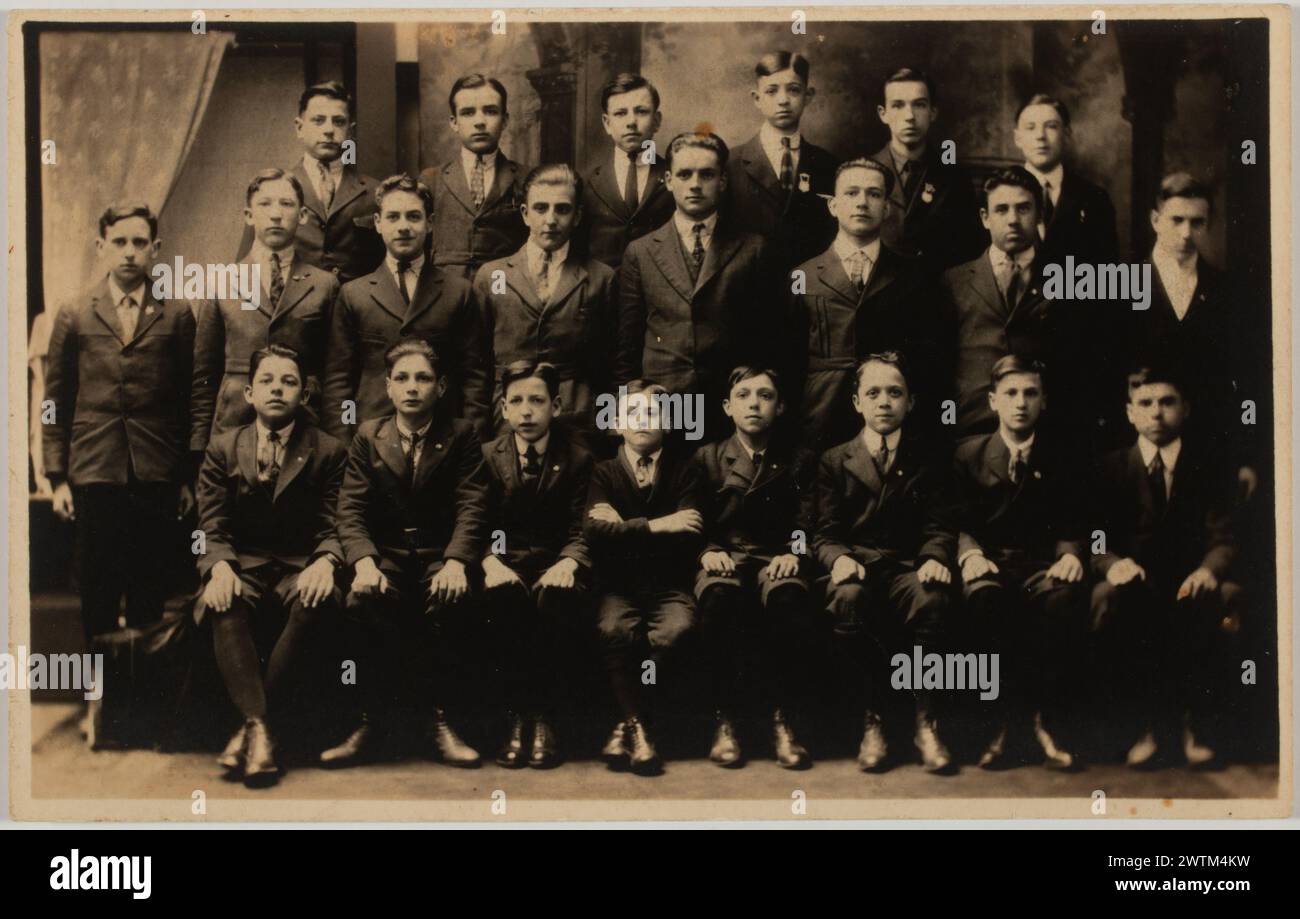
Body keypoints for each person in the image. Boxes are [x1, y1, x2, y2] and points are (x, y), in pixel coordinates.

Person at [326, 339, 489, 768]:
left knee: (451, 598)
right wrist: (363, 562)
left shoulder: (462, 434)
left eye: (423, 378)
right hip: (387, 555)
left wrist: (456, 561)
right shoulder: (368, 435)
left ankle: (441, 721)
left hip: (440, 552)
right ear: (388, 386)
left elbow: (472, 503)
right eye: (402, 378)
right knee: (361, 601)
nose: (412, 387)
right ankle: (370, 721)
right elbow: (351, 508)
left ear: (441, 386)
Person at [43, 203, 197, 642]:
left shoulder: (176, 312)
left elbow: (187, 399)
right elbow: (55, 399)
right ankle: (99, 693)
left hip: (156, 469)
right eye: (119, 242)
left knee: (151, 581)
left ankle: (142, 696)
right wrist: (57, 477)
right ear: (101, 246)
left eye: (139, 243)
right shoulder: (75, 311)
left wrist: (185, 476)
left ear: (156, 248)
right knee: (98, 584)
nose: (129, 252)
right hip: (95, 467)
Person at [195, 345, 347, 787]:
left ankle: (250, 732)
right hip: (244, 565)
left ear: (303, 394)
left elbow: (334, 523)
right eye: (267, 380)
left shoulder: (329, 450)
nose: (277, 389)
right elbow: (211, 525)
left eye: (289, 381)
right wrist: (219, 567)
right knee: (225, 600)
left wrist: (327, 560)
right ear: (247, 392)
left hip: (301, 565)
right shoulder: (223, 447)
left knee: (316, 598)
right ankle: (262, 731)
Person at [1090, 364, 1241, 769]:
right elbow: (1095, 537)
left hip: (1188, 577)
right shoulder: (1111, 467)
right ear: (1129, 413)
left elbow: (1223, 537)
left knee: (1219, 596)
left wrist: (1209, 569)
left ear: (1186, 408)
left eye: (1167, 402)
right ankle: (1141, 727)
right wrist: (1113, 564)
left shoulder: (1207, 465)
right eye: (1146, 403)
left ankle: (1197, 726)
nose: (1156, 413)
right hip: (1136, 581)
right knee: (1110, 598)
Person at [814, 352, 958, 774]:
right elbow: (823, 532)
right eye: (872, 393)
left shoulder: (928, 457)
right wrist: (837, 558)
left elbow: (940, 525)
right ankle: (871, 721)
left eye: (895, 393)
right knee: (848, 599)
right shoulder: (834, 459)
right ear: (856, 402)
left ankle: (926, 722)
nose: (884, 402)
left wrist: (933, 557)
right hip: (856, 564)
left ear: (910, 402)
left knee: (931, 598)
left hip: (906, 566)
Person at [951, 355, 1087, 770]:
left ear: (1044, 401)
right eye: (1010, 393)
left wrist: (1069, 555)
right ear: (993, 401)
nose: (1020, 402)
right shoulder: (968, 455)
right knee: (985, 602)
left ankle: (1044, 722)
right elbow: (951, 520)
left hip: (1039, 568)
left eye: (1030, 393)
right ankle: (1000, 724)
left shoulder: (1063, 456)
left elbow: (1074, 520)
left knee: (1062, 599)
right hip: (989, 565)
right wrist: (969, 553)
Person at [692, 366, 816, 769]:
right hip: (724, 555)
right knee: (719, 596)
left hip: (775, 557)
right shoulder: (707, 457)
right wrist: (707, 550)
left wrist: (794, 553)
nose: (754, 404)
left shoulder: (799, 459)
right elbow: (694, 517)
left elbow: (808, 520)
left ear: (779, 407)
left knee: (789, 597)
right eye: (743, 395)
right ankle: (725, 720)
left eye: (765, 395)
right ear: (727, 407)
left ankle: (783, 721)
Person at [617, 132, 775, 444]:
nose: (694, 184)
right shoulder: (641, 251)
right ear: (668, 180)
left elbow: (767, 339)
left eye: (706, 174)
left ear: (723, 181)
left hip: (730, 405)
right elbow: (627, 346)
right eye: (684, 174)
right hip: (662, 405)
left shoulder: (753, 248)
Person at [585, 380, 704, 775]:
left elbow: (690, 531)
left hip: (669, 585)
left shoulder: (685, 471)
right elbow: (597, 534)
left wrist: (628, 529)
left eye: (653, 413)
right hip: (617, 586)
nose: (642, 421)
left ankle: (628, 724)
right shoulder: (602, 473)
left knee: (676, 631)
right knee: (614, 629)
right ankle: (641, 732)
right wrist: (659, 526)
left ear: (669, 424)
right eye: (632, 414)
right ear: (617, 424)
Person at [480, 361, 594, 769]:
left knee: (553, 601)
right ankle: (516, 718)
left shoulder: (579, 459)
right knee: (504, 601)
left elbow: (583, 526)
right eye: (516, 402)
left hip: (555, 565)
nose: (526, 411)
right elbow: (477, 520)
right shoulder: (487, 455)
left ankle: (544, 718)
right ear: (504, 408)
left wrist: (569, 561)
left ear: (556, 406)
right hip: (504, 563)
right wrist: (490, 561)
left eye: (537, 401)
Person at [321, 174, 489, 442]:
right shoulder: (354, 294)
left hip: (442, 439)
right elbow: (339, 381)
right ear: (377, 223)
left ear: (430, 223)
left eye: (413, 216)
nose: (403, 227)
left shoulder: (459, 292)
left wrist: (470, 440)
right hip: (372, 438)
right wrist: (344, 439)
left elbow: (474, 379)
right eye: (393, 217)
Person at [792, 157, 943, 453]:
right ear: (833, 206)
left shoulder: (913, 276)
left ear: (886, 208)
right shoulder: (802, 276)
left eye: (873, 194)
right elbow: (790, 360)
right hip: (820, 422)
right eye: (851, 193)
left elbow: (927, 361)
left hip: (890, 421)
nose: (862, 202)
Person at [192, 169, 340, 453]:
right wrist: (199, 445)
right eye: (265, 204)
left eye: (286, 204)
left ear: (303, 215)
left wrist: (337, 437)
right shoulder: (220, 282)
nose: (276, 214)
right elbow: (204, 375)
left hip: (305, 428)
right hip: (234, 428)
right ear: (248, 215)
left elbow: (336, 373)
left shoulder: (325, 285)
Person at [474, 164, 617, 442]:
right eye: (541, 208)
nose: (551, 219)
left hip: (577, 414)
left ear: (577, 217)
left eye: (562, 209)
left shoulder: (601, 277)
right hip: (507, 414)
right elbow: (476, 362)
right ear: (526, 215)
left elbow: (611, 362)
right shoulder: (494, 275)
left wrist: (604, 419)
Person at [236, 81, 385, 284]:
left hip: (353, 311)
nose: (329, 130)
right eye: (318, 120)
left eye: (338, 121)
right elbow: (246, 268)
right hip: (295, 309)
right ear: (299, 127)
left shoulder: (374, 192)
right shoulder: (273, 190)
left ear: (350, 131)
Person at [725, 51, 837, 272]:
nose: (783, 100)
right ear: (757, 99)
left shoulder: (829, 165)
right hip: (749, 289)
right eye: (771, 91)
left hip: (810, 288)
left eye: (794, 90)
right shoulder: (730, 163)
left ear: (808, 96)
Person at [869, 68, 985, 272]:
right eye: (898, 105)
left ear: (933, 112)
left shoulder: (954, 178)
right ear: (883, 114)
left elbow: (970, 252)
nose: (909, 116)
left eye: (919, 105)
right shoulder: (863, 172)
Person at [419, 73, 530, 280]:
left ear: (505, 120)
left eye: (490, 111)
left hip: (502, 288)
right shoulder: (431, 180)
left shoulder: (526, 179)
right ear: (454, 122)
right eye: (468, 113)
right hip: (446, 293)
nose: (480, 122)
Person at [578, 73, 674, 271]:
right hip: (603, 294)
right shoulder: (586, 181)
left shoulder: (674, 177)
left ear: (656, 120)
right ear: (607, 123)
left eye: (641, 111)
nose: (631, 121)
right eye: (621, 113)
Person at [1013, 93, 1119, 268]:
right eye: (1030, 127)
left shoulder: (1094, 199)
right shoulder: (997, 195)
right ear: (1018, 138)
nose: (1040, 136)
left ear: (1067, 134)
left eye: (1051, 127)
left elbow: (1106, 275)